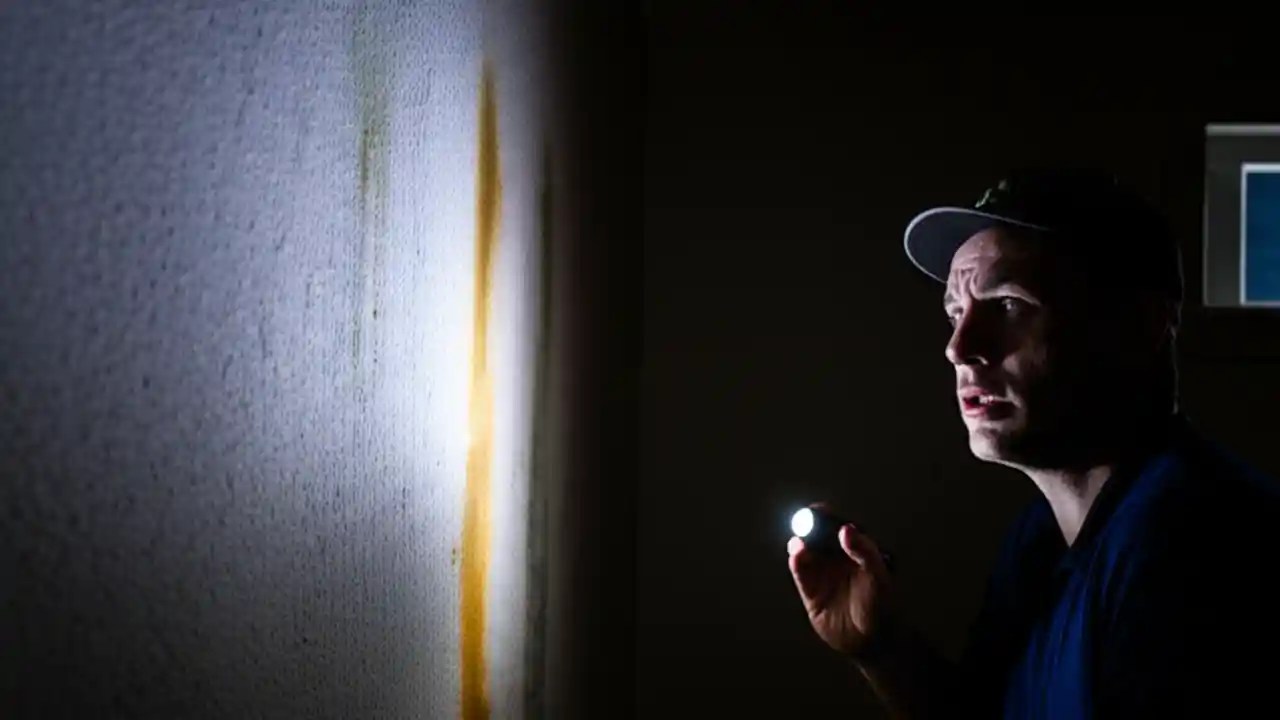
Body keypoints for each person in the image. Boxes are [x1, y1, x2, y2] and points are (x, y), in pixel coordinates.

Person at [786, 169, 1280, 718]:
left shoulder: (1200, 549)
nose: (959, 348)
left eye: (1007, 305)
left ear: (1138, 325)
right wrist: (881, 648)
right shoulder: (1040, 538)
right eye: (955, 312)